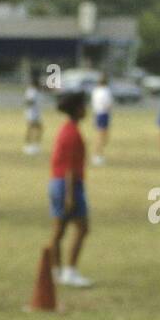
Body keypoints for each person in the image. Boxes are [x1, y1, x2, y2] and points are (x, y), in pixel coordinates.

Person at [48, 91, 95, 288]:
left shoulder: (67, 129)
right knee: (82, 228)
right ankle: (69, 271)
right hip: (67, 185)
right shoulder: (72, 134)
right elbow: (68, 167)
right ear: (77, 109)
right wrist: (69, 196)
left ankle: (56, 270)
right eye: (84, 106)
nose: (86, 109)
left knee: (59, 231)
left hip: (58, 183)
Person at [91, 74, 114, 165]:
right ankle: (97, 155)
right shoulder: (106, 91)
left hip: (97, 113)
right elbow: (108, 104)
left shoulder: (95, 91)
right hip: (103, 113)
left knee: (101, 135)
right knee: (102, 136)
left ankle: (98, 154)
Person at [23, 72, 44, 155]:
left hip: (36, 113)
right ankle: (29, 146)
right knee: (32, 129)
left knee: (37, 129)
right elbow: (28, 101)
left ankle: (34, 145)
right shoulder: (31, 91)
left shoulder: (35, 91)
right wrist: (33, 103)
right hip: (31, 113)